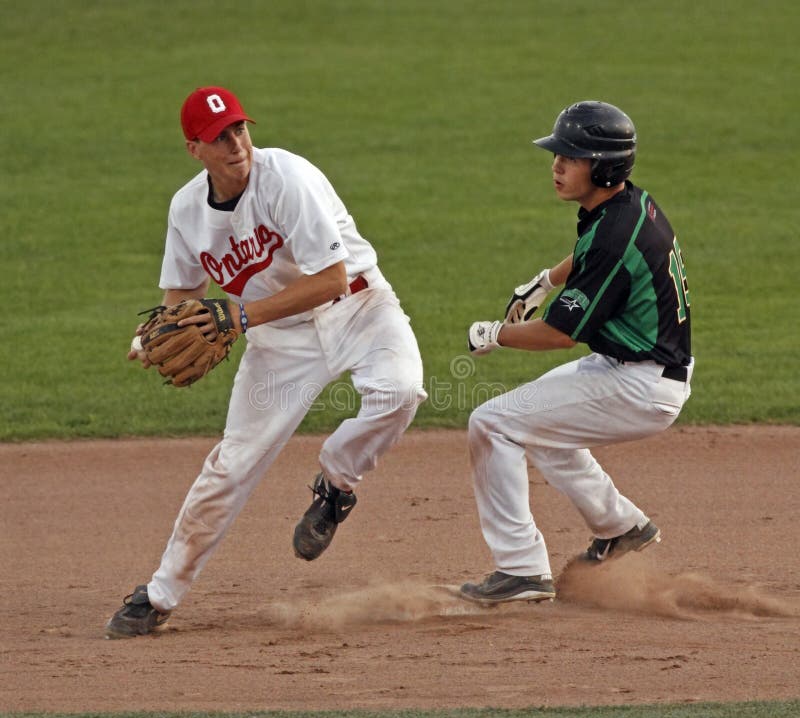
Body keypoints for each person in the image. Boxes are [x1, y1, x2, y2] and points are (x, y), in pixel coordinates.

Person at [105, 86, 427, 638]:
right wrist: (156, 332)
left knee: (401, 391)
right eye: (218, 138)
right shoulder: (186, 210)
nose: (235, 144)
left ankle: (336, 485)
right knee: (232, 464)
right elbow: (182, 294)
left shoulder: (286, 178)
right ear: (194, 149)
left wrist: (240, 316)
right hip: (279, 341)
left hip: (359, 308)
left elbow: (329, 280)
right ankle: (158, 596)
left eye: (239, 129)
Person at [461, 101, 693, 604]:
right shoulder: (621, 204)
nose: (557, 165)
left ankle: (521, 569)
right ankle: (621, 527)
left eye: (572, 156)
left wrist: (493, 333)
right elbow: (589, 254)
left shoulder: (613, 234)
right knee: (540, 428)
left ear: (604, 167)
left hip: (640, 384)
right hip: (634, 366)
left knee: (492, 423)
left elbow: (558, 334)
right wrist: (545, 280)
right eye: (558, 154)